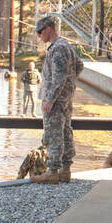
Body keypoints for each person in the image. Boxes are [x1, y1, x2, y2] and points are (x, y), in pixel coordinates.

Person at [32, 13, 83, 184]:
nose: (39, 36)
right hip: (65, 98)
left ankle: (53, 171)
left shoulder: (58, 48)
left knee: (54, 133)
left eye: (40, 32)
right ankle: (65, 170)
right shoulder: (65, 45)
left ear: (48, 29)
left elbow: (59, 77)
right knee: (66, 131)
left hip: (56, 100)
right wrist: (70, 83)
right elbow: (79, 65)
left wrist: (50, 98)